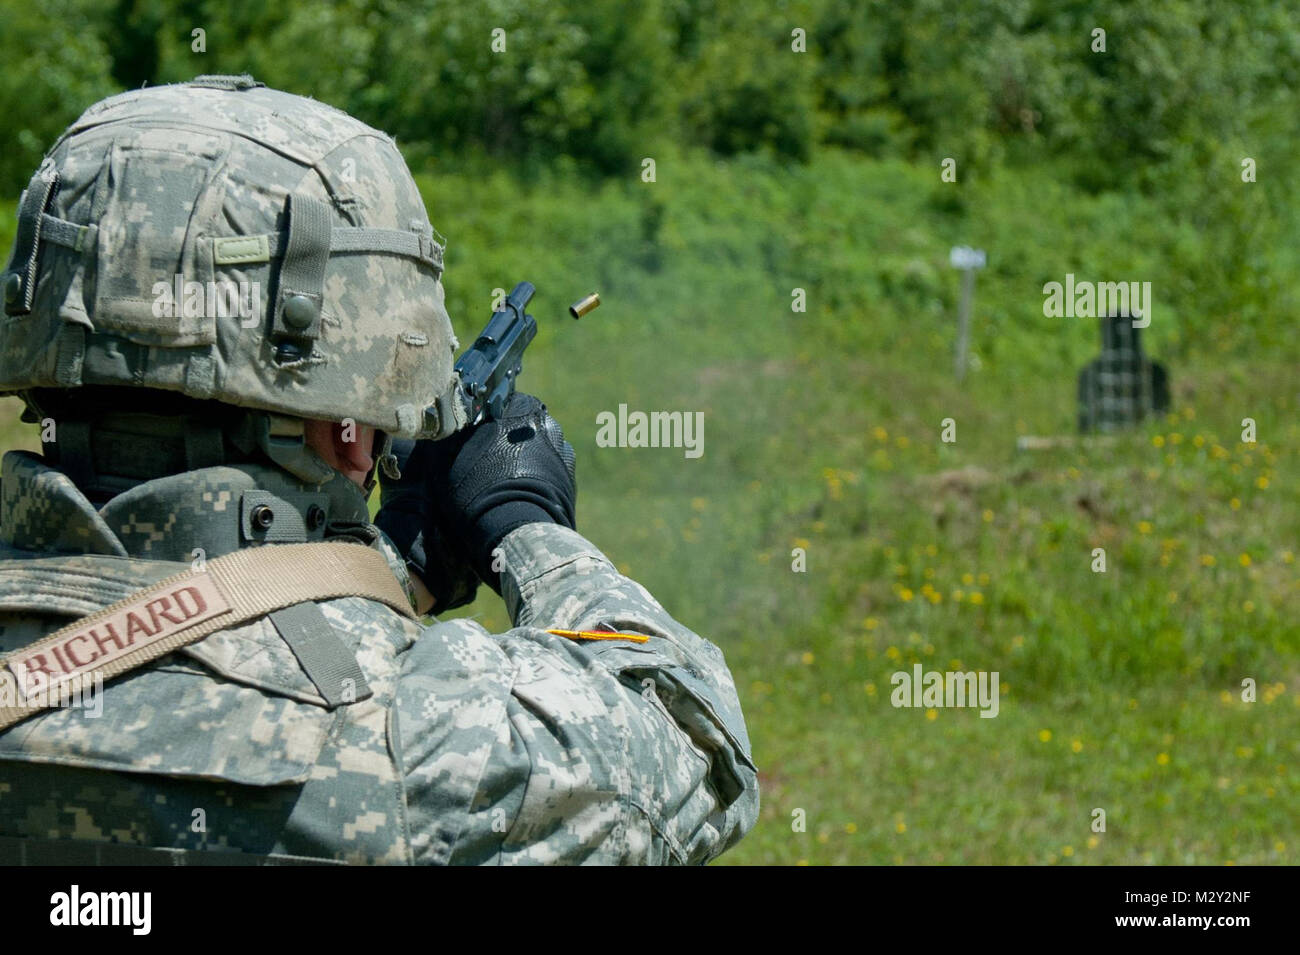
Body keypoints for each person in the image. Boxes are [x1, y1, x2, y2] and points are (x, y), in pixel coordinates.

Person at [0, 75, 757, 865]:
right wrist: (525, 521)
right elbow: (692, 738)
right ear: (353, 436)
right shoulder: (423, 743)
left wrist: (385, 567)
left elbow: (162, 618)